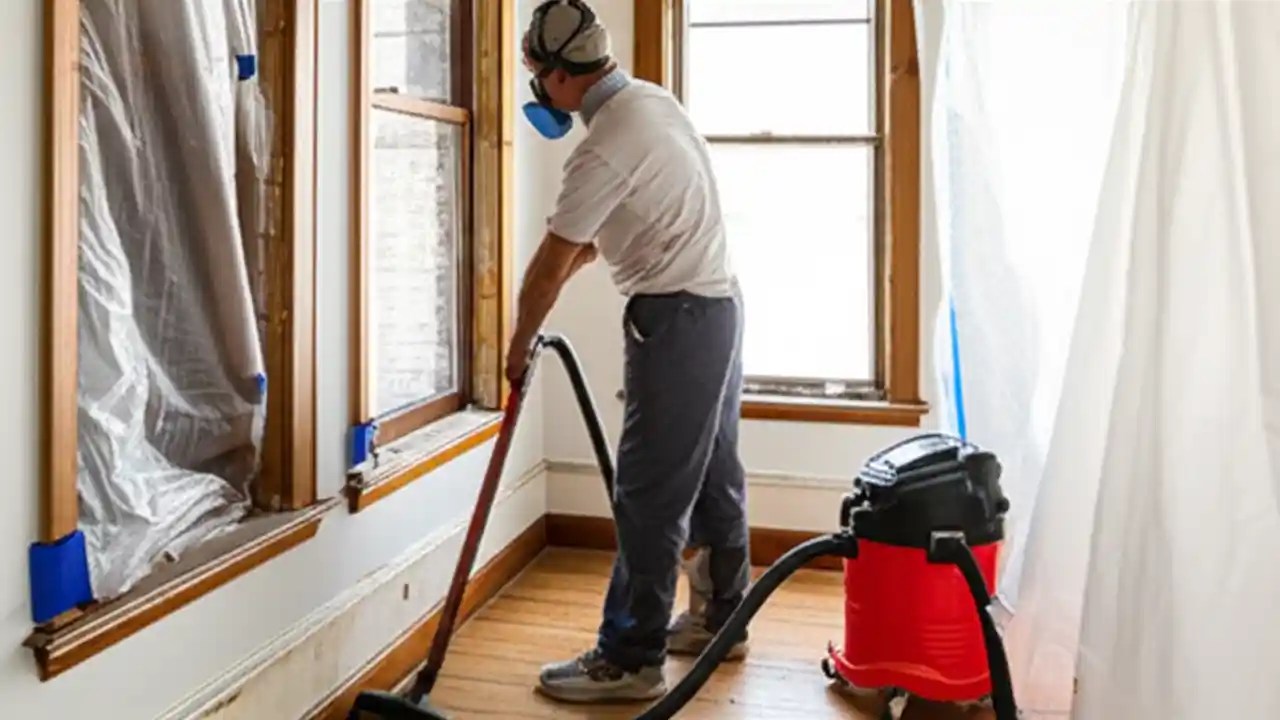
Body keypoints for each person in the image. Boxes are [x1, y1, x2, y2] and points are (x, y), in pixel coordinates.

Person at [503, 0, 750, 704]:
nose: (535, 90)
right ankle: (721, 618)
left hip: (676, 320)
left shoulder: (603, 146)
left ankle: (631, 656)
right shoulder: (650, 102)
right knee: (712, 472)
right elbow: (589, 242)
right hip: (719, 307)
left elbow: (551, 264)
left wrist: (517, 347)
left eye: (534, 74)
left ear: (558, 77)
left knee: (647, 493)